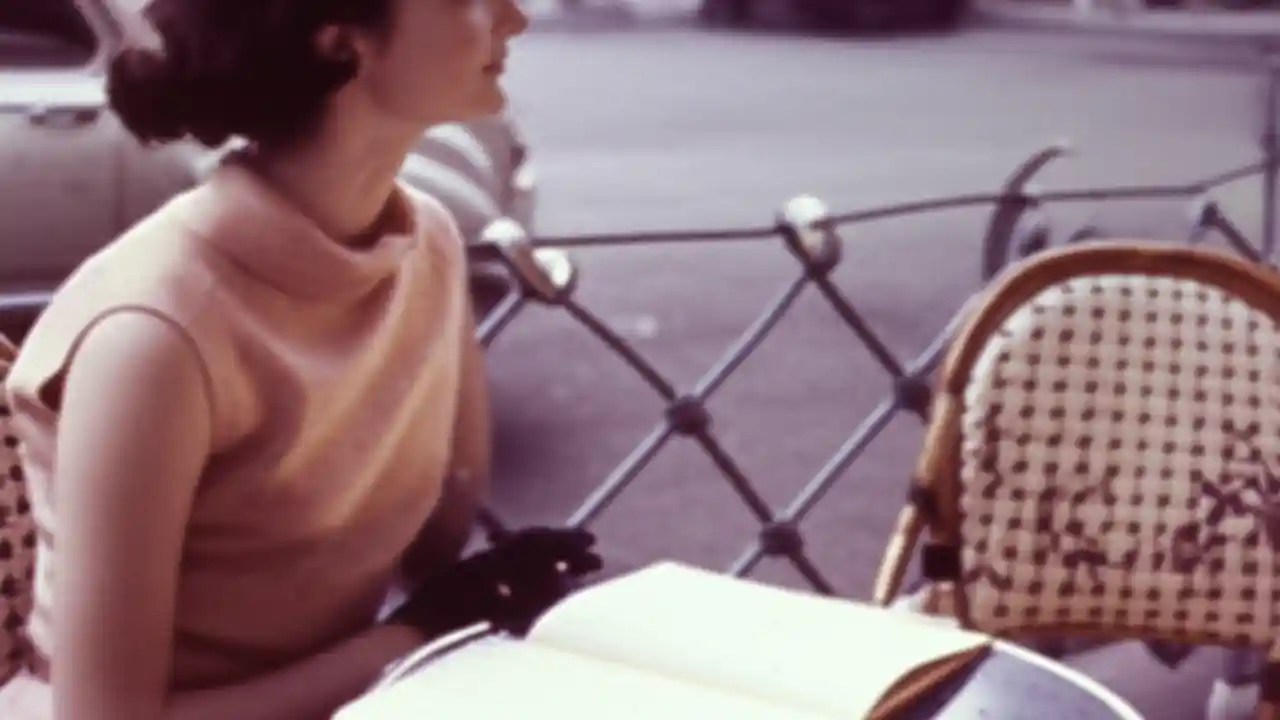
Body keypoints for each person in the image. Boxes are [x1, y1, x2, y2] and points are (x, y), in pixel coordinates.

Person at [0, 0, 601, 718]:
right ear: (342, 41)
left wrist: (487, 592)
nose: (513, 18)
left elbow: (438, 540)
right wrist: (414, 636)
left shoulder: (427, 243)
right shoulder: (154, 334)